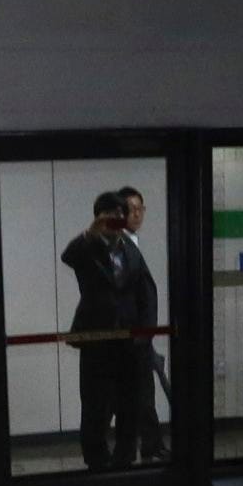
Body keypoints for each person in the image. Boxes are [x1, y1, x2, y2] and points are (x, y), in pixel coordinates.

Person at [61, 193, 142, 471]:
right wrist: (90, 232)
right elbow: (67, 256)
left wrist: (145, 331)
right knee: (95, 403)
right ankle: (96, 459)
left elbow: (141, 290)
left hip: (128, 337)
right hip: (96, 337)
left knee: (128, 401)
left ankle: (125, 455)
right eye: (107, 216)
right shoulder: (88, 248)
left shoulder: (131, 248)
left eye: (118, 215)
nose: (113, 221)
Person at [118, 185, 168, 463]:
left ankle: (150, 445)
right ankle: (140, 448)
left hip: (140, 337)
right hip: (132, 337)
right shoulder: (119, 244)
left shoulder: (131, 241)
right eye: (130, 208)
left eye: (140, 208)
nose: (137, 213)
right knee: (137, 395)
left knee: (143, 393)